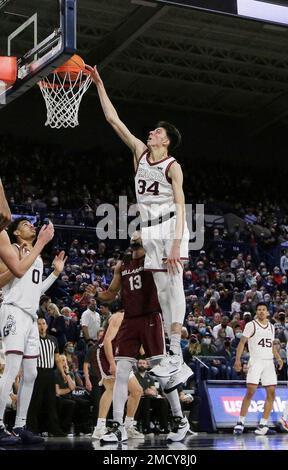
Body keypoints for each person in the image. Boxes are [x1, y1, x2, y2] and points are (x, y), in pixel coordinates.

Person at [87, 64, 189, 378]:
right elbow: (112, 119)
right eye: (153, 130)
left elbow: (182, 204)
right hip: (150, 229)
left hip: (172, 224)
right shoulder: (140, 152)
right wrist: (99, 84)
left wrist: (175, 243)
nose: (152, 133)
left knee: (174, 283)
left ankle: (175, 350)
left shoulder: (173, 165)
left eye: (158, 132)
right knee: (160, 288)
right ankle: (175, 359)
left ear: (167, 141)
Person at [87, 232, 192, 443]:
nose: (135, 234)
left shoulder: (154, 256)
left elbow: (175, 269)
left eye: (140, 232)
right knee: (121, 372)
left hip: (151, 317)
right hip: (130, 319)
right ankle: (118, 427)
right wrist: (96, 295)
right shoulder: (123, 263)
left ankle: (180, 419)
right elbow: (111, 293)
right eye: (134, 232)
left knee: (162, 372)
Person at [0, 217, 65, 444]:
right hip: (13, 310)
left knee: (32, 373)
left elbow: (36, 291)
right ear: (16, 233)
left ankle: (19, 426)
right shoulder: (12, 249)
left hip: (30, 315)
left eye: (32, 224)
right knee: (12, 369)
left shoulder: (36, 257)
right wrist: (39, 245)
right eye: (26, 224)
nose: (32, 226)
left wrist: (55, 273)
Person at [91, 310, 144, 440]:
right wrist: (112, 363)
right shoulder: (118, 317)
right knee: (112, 387)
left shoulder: (140, 321)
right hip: (105, 354)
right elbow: (108, 340)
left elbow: (142, 350)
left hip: (121, 356)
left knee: (137, 391)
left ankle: (128, 426)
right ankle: (99, 427)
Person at [233, 302, 283, 436]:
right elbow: (242, 343)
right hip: (255, 361)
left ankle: (263, 425)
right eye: (259, 309)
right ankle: (240, 422)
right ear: (256, 312)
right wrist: (237, 360)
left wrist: (278, 358)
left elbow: (271, 345)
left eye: (263, 310)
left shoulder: (272, 327)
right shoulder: (251, 325)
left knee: (272, 393)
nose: (261, 312)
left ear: (267, 312)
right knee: (250, 392)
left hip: (268, 363)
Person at [26, 318, 67, 436]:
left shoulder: (53, 340)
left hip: (50, 372)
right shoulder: (32, 340)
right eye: (39, 324)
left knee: (51, 401)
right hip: (37, 371)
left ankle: (54, 429)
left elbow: (57, 358)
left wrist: (63, 373)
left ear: (47, 326)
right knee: (35, 401)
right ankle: (32, 429)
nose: (41, 326)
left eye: (43, 324)